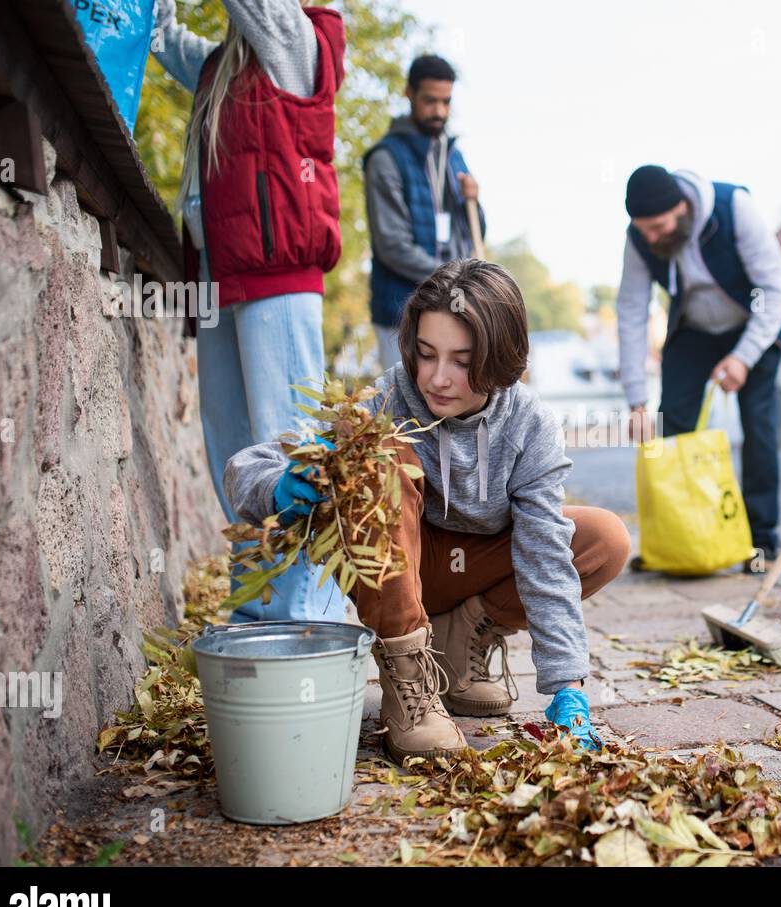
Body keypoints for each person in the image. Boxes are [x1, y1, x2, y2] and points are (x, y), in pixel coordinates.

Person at [224, 260, 631, 759]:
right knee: (379, 458)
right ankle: (409, 681)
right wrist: (279, 487)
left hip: (474, 567)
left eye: (462, 361)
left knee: (603, 537)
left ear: (501, 358)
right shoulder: (386, 399)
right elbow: (247, 467)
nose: (438, 378)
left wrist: (567, 683)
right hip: (399, 570)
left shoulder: (530, 425)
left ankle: (460, 645)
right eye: (426, 354)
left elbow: (545, 553)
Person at [152, 0, 347, 624]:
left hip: (278, 277)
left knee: (289, 447)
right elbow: (160, 37)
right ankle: (260, 608)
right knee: (235, 454)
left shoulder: (298, 43)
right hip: (218, 277)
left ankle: (306, 615)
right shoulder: (220, 69)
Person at [617, 165, 781, 572]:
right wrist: (635, 399)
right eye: (643, 229)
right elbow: (631, 310)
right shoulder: (640, 236)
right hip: (695, 329)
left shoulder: (733, 207)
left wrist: (744, 357)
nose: (651, 237)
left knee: (758, 426)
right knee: (675, 424)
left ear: (682, 208)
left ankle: (761, 542)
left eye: (658, 227)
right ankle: (678, 537)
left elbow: (774, 288)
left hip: (756, 323)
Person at [364, 54, 484, 372]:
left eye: (446, 102)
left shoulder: (454, 156)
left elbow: (472, 235)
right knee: (407, 416)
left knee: (452, 414)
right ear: (409, 94)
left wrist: (475, 202)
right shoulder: (386, 159)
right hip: (401, 315)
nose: (439, 111)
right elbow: (393, 246)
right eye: (430, 101)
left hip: (453, 309)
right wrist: (452, 281)